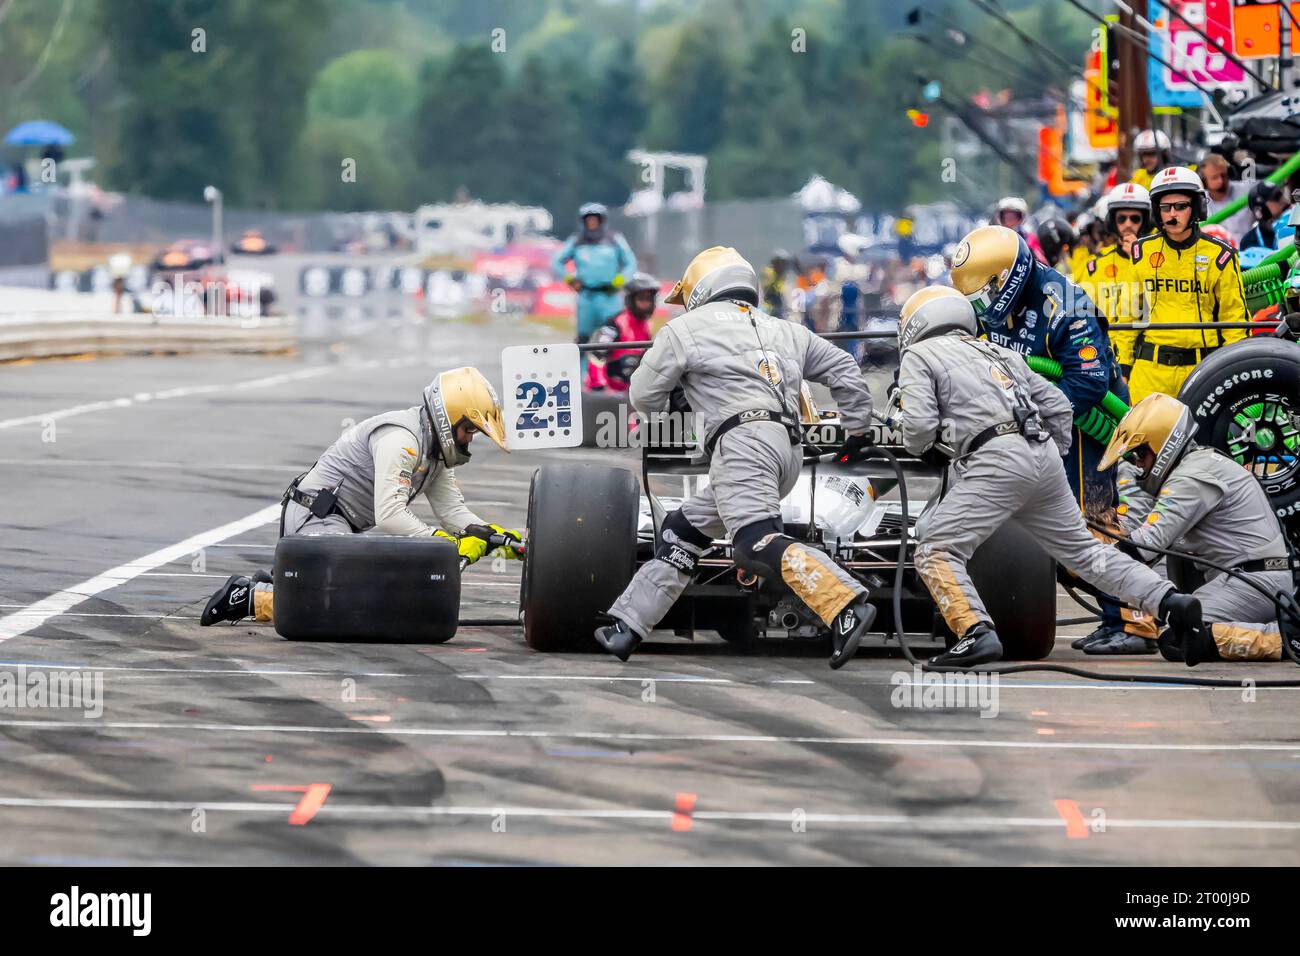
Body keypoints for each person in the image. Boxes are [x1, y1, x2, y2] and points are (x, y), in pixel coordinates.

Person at [593, 246, 877, 669]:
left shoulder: (684, 328)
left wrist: (676, 399)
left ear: (698, 290)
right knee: (683, 530)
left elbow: (641, 397)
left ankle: (844, 603)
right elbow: (844, 367)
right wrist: (858, 428)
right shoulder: (786, 329)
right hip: (786, 448)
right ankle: (627, 625)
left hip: (740, 444)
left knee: (754, 545)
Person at [895, 286, 1202, 666]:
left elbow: (919, 429)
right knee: (1087, 554)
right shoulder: (1001, 353)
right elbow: (1057, 404)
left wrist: (928, 446)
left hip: (995, 459)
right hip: (1041, 455)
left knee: (935, 548)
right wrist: (1048, 454)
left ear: (915, 324)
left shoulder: (918, 354)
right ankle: (1171, 601)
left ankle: (975, 633)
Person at [950, 224, 1157, 652]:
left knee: (1092, 522)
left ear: (1006, 278)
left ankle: (1137, 623)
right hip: (1042, 421)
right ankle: (1114, 616)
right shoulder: (995, 305)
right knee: (1054, 531)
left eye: (985, 295)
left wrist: (1030, 414)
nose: (981, 307)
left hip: (1086, 420)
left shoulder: (1066, 305)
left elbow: (1089, 382)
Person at [200, 367, 522, 627]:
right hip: (316, 518)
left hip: (340, 528)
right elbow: (390, 515)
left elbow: (453, 512)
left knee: (383, 591)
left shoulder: (435, 453)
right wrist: (447, 546)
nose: (471, 439)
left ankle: (288, 581)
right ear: (450, 418)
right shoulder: (403, 440)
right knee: (356, 603)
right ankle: (250, 596)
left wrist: (492, 535)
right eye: (470, 430)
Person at [1099, 394, 1292, 665]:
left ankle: (1285, 637)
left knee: (1181, 638)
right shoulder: (1198, 464)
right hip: (1248, 577)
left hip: (1254, 582)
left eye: (1141, 453)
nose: (1138, 463)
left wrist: (1084, 558)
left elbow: (1145, 548)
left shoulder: (1189, 479)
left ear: (1163, 445)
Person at [1130, 165, 1249, 404]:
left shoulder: (1220, 256)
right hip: (1148, 374)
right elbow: (1128, 316)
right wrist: (1122, 369)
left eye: (1180, 206)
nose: (1172, 214)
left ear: (1196, 207)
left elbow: (1235, 323)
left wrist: (1232, 373)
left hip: (1202, 372)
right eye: (1165, 207)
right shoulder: (1141, 252)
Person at [1078, 182, 1151, 381]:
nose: (1128, 224)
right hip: (1107, 361)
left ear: (1145, 221)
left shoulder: (1158, 260)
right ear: (1112, 222)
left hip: (1148, 360)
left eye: (1135, 218)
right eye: (1121, 218)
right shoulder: (1095, 267)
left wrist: (1138, 259)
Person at [551, 202, 637, 346]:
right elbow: (557, 262)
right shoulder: (577, 241)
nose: (592, 223)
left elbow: (631, 263)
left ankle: (610, 369)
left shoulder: (614, 239)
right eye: (588, 219)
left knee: (613, 337)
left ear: (602, 221)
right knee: (583, 340)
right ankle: (582, 368)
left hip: (609, 297)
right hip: (586, 297)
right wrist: (570, 279)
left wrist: (620, 280)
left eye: (595, 219)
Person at [585, 272, 658, 393]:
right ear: (630, 299)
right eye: (641, 298)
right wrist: (602, 388)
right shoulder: (614, 325)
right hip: (608, 393)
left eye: (649, 299)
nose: (646, 303)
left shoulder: (647, 327)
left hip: (630, 393)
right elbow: (596, 357)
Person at [1200, 153, 1254, 242]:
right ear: (1204, 181)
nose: (1220, 181)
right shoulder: (1199, 203)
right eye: (1215, 177)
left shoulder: (1246, 191)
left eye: (1223, 175)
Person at [1240, 180, 1292, 252]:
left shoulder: (1295, 218)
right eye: (1276, 197)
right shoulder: (1249, 242)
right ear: (1260, 210)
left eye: (1281, 193)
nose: (1283, 199)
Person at [761, 250, 792, 319]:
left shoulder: (782, 275)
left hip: (779, 306)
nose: (783, 266)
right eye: (781, 263)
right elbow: (767, 287)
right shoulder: (769, 272)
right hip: (768, 307)